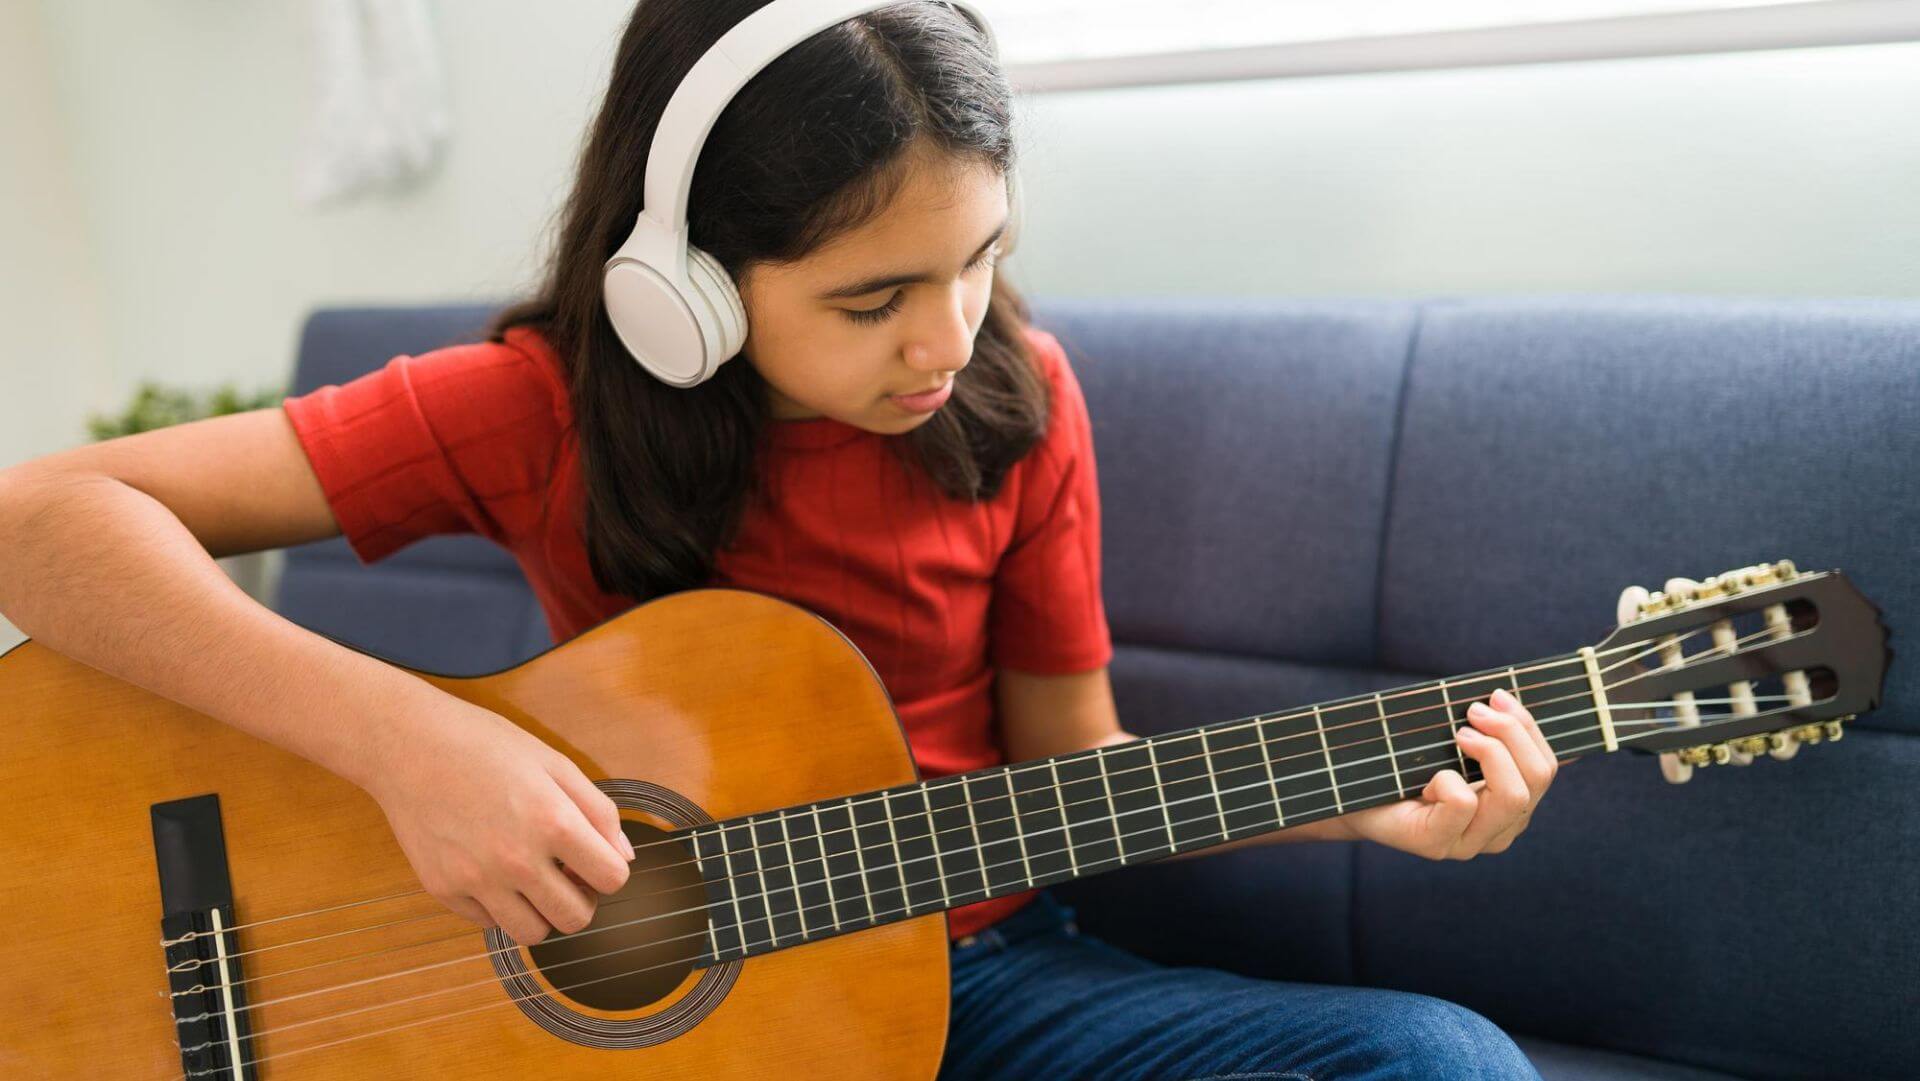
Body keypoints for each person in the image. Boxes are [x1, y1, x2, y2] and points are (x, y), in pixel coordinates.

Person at [0, 3, 1554, 1078]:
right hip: (636, 1024)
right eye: (871, 299)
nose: (945, 337)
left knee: (1441, 1059)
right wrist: (412, 747)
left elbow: (1073, 756)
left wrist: (1355, 807)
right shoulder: (538, 410)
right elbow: (43, 521)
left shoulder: (1021, 405)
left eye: (979, 259)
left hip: (975, 976)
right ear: (683, 288)